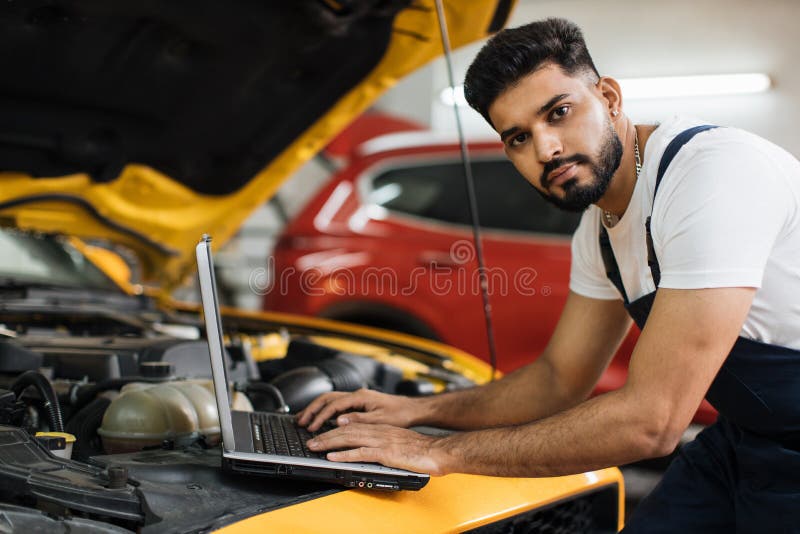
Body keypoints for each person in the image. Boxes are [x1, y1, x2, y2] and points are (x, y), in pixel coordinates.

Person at [297, 18, 800, 531]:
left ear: (608, 97)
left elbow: (652, 423)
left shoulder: (712, 175)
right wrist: (412, 410)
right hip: (746, 440)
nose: (546, 149)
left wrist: (436, 453)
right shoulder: (599, 231)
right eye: (518, 137)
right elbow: (558, 378)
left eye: (559, 113)